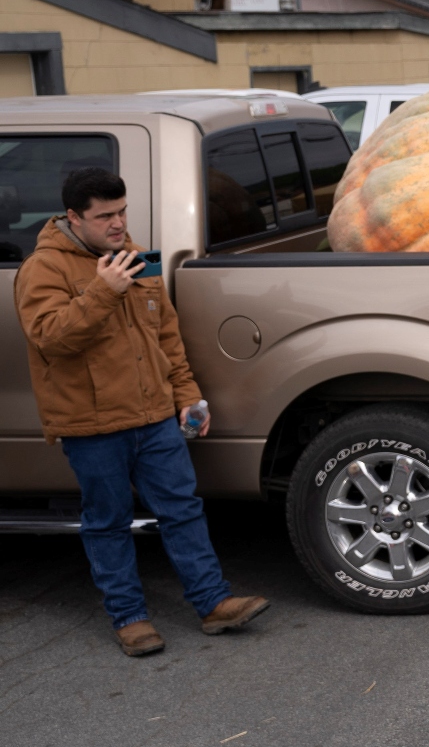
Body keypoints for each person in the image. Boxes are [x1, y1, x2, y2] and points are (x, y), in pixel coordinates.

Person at [12, 168, 269, 657]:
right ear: (73, 217)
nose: (117, 223)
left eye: (122, 211)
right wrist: (103, 289)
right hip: (93, 424)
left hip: (153, 416)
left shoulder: (136, 257)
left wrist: (187, 396)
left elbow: (165, 334)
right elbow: (49, 337)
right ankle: (129, 619)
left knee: (183, 509)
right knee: (108, 521)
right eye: (104, 216)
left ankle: (213, 603)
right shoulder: (43, 268)